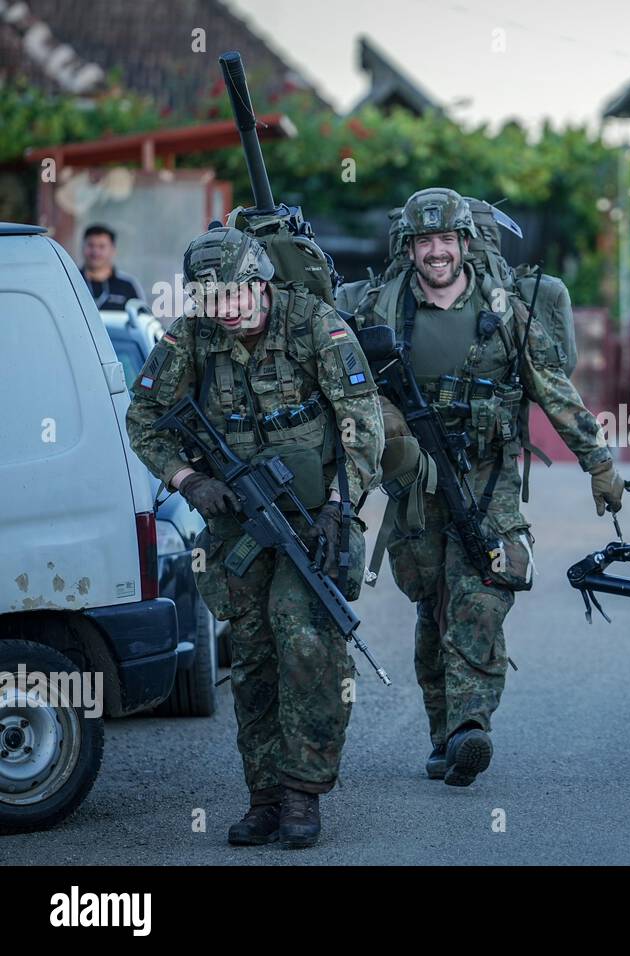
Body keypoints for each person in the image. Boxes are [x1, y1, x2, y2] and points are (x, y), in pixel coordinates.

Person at [355, 188, 623, 787]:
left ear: (464, 243)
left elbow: (551, 385)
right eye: (425, 242)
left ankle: (470, 725)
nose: (436, 252)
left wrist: (598, 463)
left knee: (480, 593)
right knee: (434, 602)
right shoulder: (381, 306)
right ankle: (441, 731)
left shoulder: (502, 307)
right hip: (416, 479)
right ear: (411, 248)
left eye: (446, 240)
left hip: (488, 474)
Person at [125, 225, 383, 846]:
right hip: (236, 525)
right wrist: (190, 481)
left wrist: (338, 507)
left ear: (260, 277)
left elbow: (362, 423)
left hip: (310, 520)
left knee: (305, 641)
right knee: (253, 657)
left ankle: (303, 795)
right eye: (214, 299)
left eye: (238, 291)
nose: (229, 307)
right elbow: (143, 419)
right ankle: (263, 796)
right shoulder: (191, 337)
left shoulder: (315, 324)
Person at [79, 224, 145, 310]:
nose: (95, 252)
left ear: (113, 250)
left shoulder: (127, 286)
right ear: (83, 247)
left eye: (101, 247)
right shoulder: (70, 281)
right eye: (91, 245)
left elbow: (141, 318)